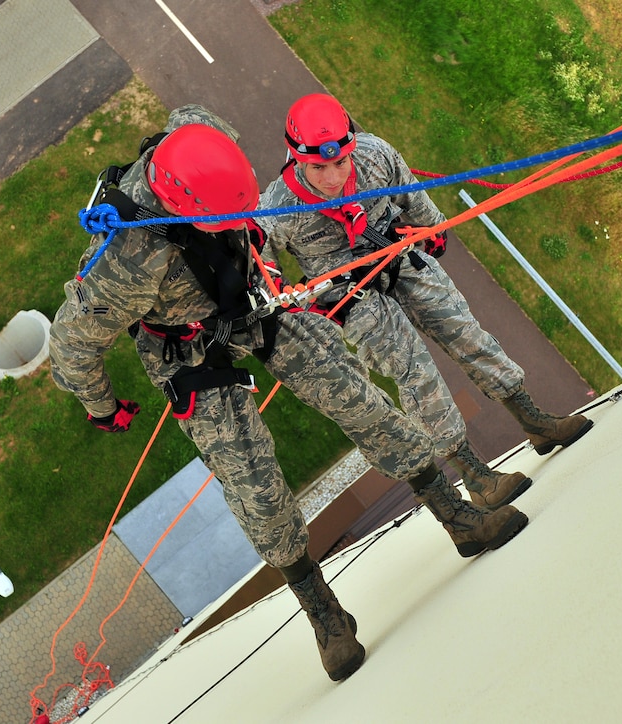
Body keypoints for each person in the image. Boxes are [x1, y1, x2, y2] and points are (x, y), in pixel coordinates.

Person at [48, 105, 528, 682]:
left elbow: (190, 117)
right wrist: (103, 406)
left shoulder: (203, 137)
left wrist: (255, 260)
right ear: (183, 208)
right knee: (256, 487)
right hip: (191, 350)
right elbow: (71, 346)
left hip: (253, 302)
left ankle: (458, 518)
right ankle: (325, 614)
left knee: (359, 400)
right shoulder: (125, 261)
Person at [256, 94, 594, 506]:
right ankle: (476, 476)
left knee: (465, 332)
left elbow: (415, 200)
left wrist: (431, 231)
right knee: (415, 373)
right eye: (318, 168)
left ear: (351, 149)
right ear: (295, 159)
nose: (331, 177)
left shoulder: (373, 156)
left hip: (398, 254)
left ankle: (534, 419)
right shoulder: (277, 207)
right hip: (351, 294)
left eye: (339, 163)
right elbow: (259, 257)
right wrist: (282, 292)